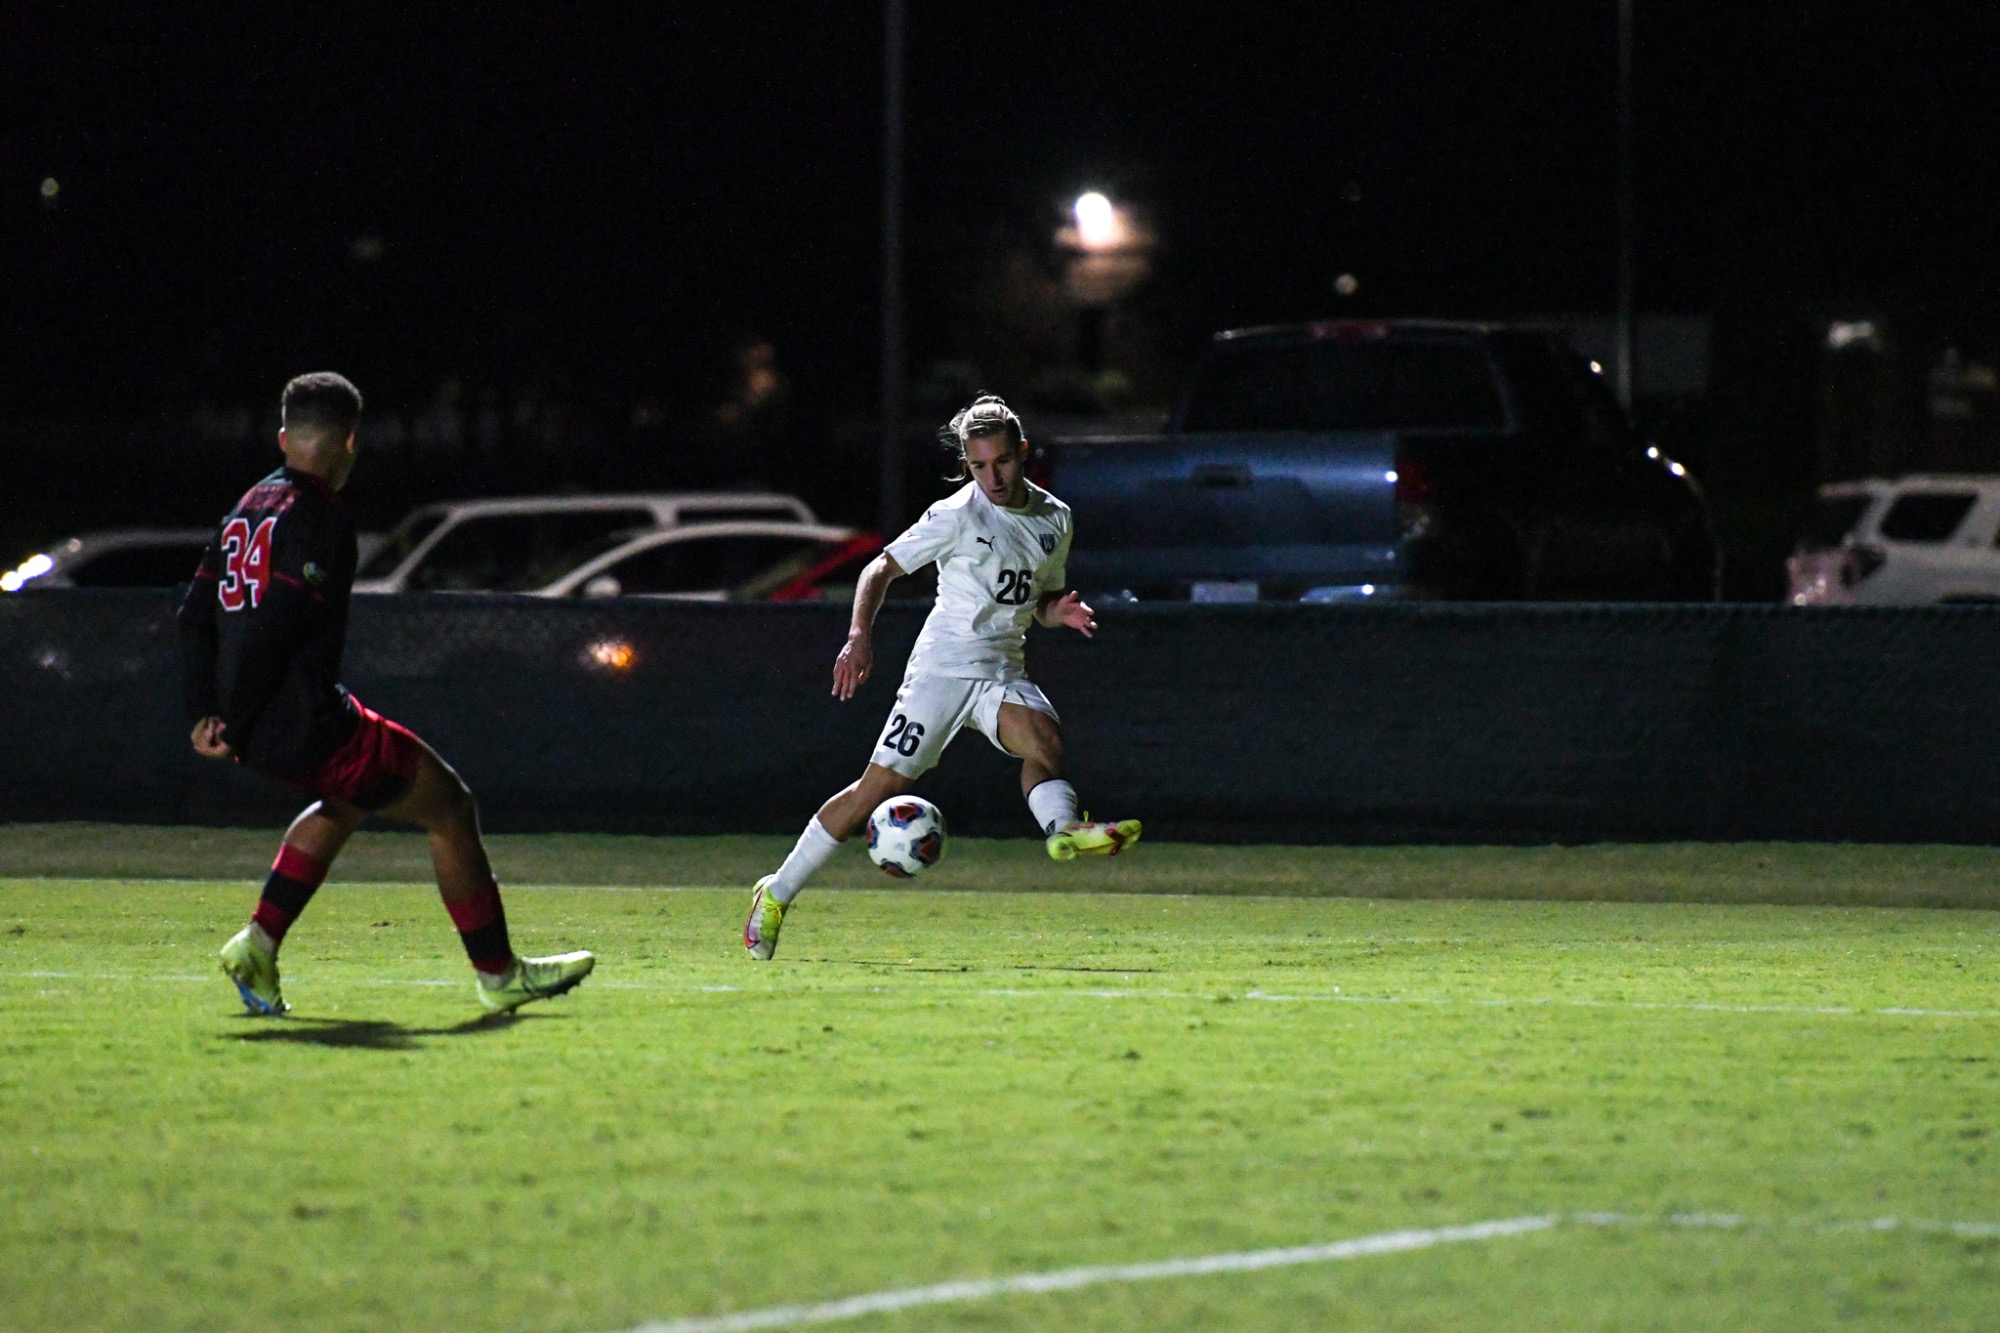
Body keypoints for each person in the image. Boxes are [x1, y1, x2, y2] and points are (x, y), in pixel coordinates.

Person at [177, 372, 594, 1015]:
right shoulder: (320, 516)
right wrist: (237, 715)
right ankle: (499, 973)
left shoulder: (249, 503)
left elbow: (193, 616)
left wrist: (206, 710)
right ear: (349, 442)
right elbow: (276, 622)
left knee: (346, 803)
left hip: (261, 718)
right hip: (297, 719)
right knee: (449, 807)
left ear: (285, 437)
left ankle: (258, 944)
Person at [744, 394, 1140, 960]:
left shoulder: (1056, 518)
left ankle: (1063, 832)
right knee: (875, 793)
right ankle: (776, 893)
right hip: (942, 671)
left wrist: (1059, 612)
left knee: (1046, 743)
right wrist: (860, 634)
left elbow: (1040, 597)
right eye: (978, 466)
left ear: (1021, 452)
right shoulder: (955, 515)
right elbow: (879, 566)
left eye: (1000, 462)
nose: (991, 477)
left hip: (1002, 667)